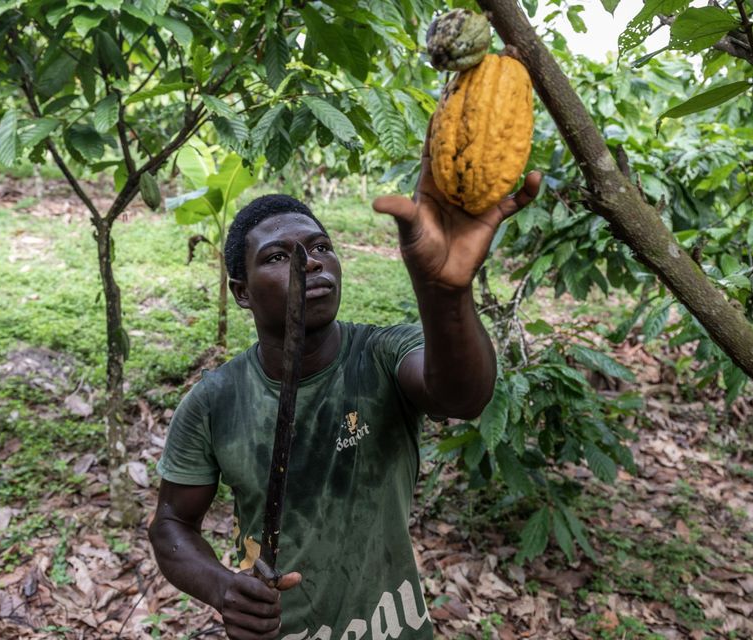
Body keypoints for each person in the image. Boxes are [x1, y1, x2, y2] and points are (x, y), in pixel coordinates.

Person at [148, 134, 541, 640]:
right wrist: (224, 588)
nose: (309, 262)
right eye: (277, 256)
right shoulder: (214, 401)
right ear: (241, 293)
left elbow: (462, 397)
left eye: (320, 247)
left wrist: (446, 291)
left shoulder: (381, 356)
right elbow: (171, 525)